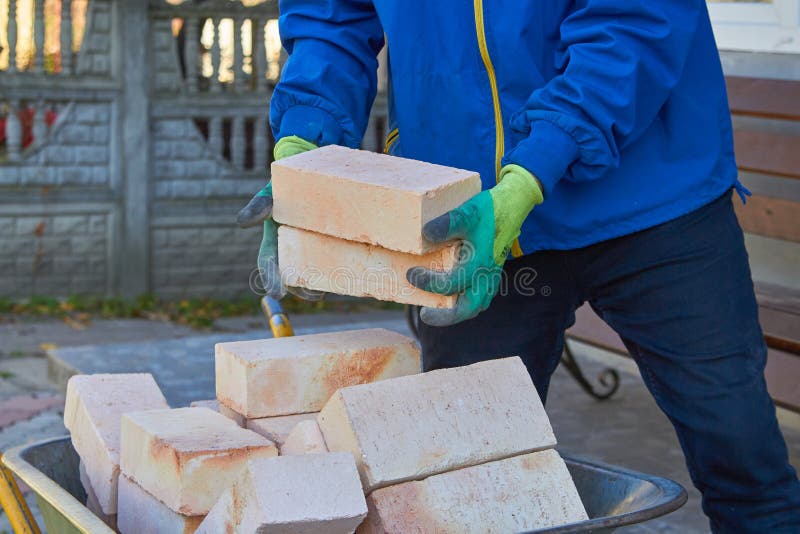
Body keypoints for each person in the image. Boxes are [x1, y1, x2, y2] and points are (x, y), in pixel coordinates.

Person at [237, 2, 800, 531]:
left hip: (650, 197)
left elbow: (632, 21)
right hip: (471, 213)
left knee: (742, 460)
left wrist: (535, 170)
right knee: (464, 478)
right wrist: (305, 143)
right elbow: (330, 18)